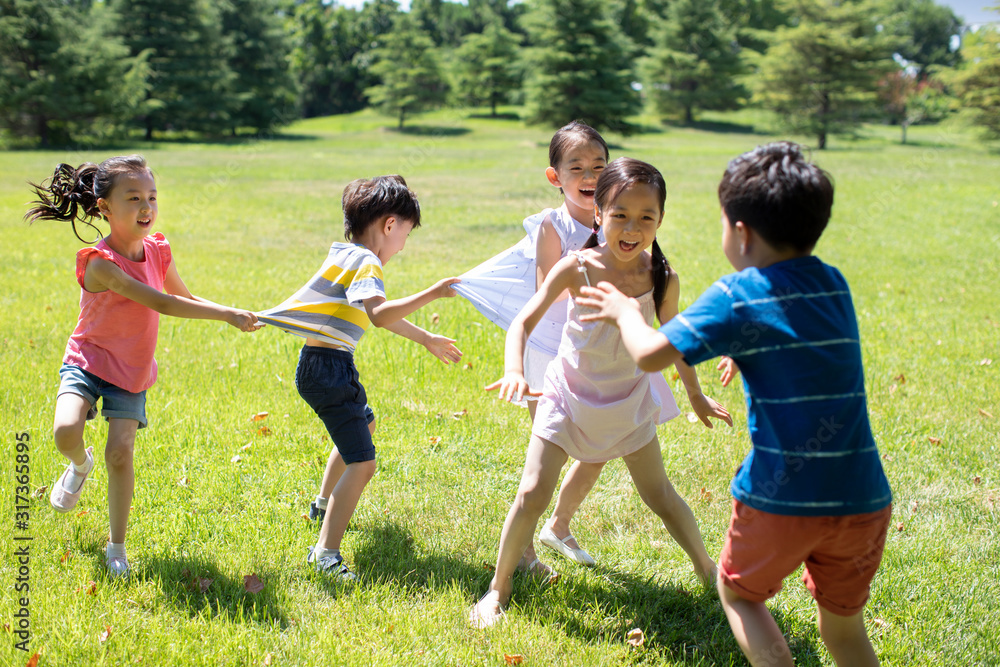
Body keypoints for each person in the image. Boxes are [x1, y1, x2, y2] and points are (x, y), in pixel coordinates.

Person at [577, 142, 892, 666]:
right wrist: (748, 353)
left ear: (740, 232)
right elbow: (803, 343)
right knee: (843, 627)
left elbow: (652, 354)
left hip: (782, 497)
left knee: (740, 593)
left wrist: (622, 311)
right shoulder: (833, 284)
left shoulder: (737, 293)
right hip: (863, 499)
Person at [468, 157, 731, 628]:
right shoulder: (577, 267)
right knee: (531, 493)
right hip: (566, 397)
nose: (632, 228)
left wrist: (694, 395)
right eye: (620, 216)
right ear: (598, 215)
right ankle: (497, 590)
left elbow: (676, 342)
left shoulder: (661, 277)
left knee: (660, 495)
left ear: (660, 220)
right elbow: (524, 321)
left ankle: (709, 571)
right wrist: (513, 369)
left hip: (628, 402)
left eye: (645, 217)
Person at [456, 121, 687, 576]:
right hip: (554, 350)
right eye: (577, 166)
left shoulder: (625, 219)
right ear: (556, 177)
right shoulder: (557, 227)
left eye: (599, 165)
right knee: (545, 462)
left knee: (599, 448)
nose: (589, 174)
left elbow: (654, 289)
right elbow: (546, 292)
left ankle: (558, 525)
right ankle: (523, 555)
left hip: (614, 350)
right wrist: (590, 274)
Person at [26, 155, 260, 578]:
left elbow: (184, 297)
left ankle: (116, 548)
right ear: (105, 208)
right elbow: (162, 304)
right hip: (89, 358)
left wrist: (233, 311)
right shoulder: (99, 263)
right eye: (133, 198)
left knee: (120, 452)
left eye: (151, 196)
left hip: (130, 368)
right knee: (65, 432)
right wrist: (226, 314)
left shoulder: (158, 251)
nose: (146, 206)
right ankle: (80, 465)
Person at [257, 175, 462, 581]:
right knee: (363, 463)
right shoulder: (368, 261)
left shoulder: (347, 253)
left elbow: (376, 315)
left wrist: (425, 338)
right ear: (389, 225)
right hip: (330, 370)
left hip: (321, 365)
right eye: (405, 234)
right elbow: (379, 314)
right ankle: (326, 554)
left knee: (363, 424)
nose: (403, 245)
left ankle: (320, 505)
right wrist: (434, 293)